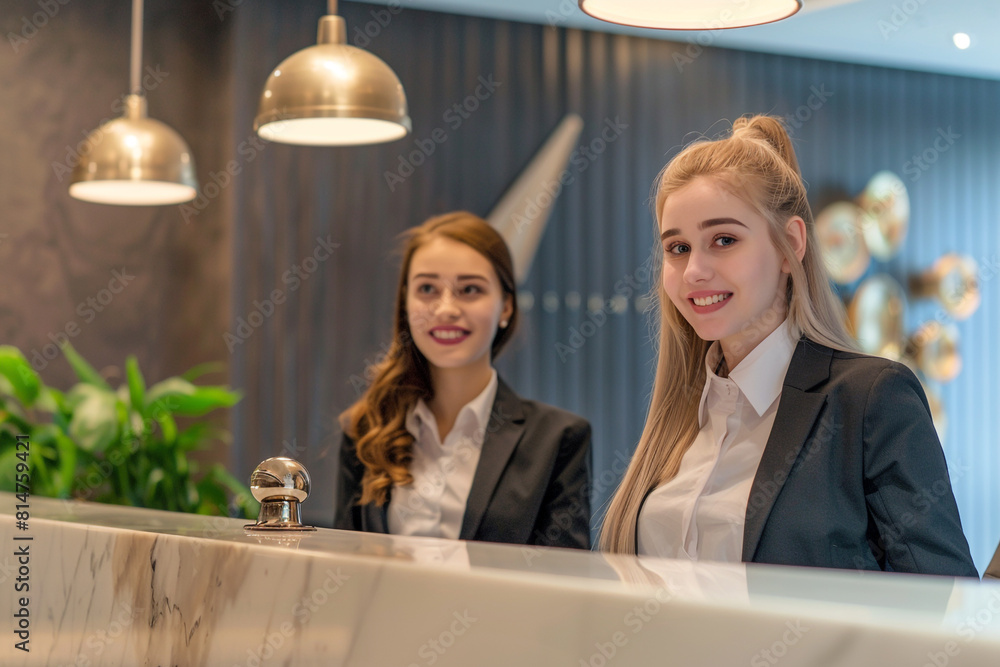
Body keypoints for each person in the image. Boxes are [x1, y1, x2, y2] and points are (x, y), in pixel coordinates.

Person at [599, 115, 978, 576]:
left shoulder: (870, 399)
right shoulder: (682, 413)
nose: (694, 270)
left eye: (723, 240)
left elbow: (943, 598)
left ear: (789, 245)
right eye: (677, 248)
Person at [335, 211, 591, 549]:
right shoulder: (367, 429)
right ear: (405, 304)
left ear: (506, 308)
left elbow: (564, 585)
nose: (445, 309)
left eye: (469, 289)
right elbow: (343, 566)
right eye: (427, 288)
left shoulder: (559, 439)